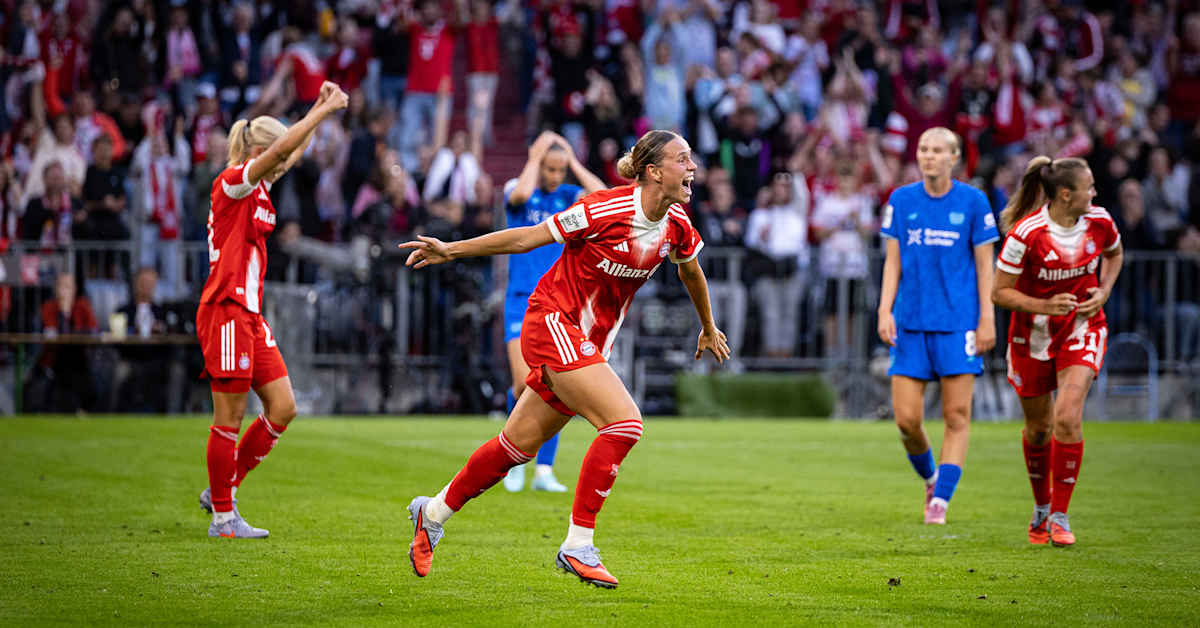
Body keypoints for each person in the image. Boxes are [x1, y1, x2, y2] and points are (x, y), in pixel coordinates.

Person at [399, 130, 730, 588]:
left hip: (586, 344)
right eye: (684, 159)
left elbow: (691, 269)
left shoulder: (676, 225)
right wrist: (451, 250)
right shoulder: (604, 209)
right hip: (551, 322)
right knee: (625, 423)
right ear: (654, 171)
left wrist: (708, 326)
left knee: (514, 449)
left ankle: (431, 514)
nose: (693, 168)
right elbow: (528, 239)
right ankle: (578, 545)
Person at [195, 81, 349, 539]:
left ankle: (221, 489)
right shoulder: (234, 182)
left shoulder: (259, 186)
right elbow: (284, 149)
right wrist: (322, 113)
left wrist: (319, 106)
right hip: (225, 309)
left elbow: (291, 151)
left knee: (283, 407)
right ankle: (224, 518)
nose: (284, 161)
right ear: (261, 149)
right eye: (276, 151)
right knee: (230, 416)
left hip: (249, 314)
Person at [993, 156, 1123, 547]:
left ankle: (1060, 518)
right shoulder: (1026, 233)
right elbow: (999, 292)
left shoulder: (1100, 222)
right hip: (1031, 336)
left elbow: (1115, 254)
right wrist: (1044, 306)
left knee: (1067, 417)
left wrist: (1103, 291)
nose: (1095, 193)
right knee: (1039, 430)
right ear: (1066, 194)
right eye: (1090, 187)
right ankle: (1041, 508)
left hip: (1082, 328)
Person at [877, 127, 999, 525]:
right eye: (923, 149)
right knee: (906, 420)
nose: (928, 156)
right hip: (910, 322)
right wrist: (884, 309)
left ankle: (940, 502)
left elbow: (986, 266)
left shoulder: (974, 202)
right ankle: (931, 477)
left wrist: (986, 318)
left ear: (955, 158)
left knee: (957, 415)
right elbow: (892, 262)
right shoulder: (901, 199)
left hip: (958, 323)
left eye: (937, 150)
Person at [499, 131, 607, 493]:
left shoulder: (567, 196)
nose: (555, 176)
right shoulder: (522, 187)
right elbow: (517, 197)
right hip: (521, 298)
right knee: (522, 382)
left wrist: (574, 161)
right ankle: (515, 461)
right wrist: (534, 156)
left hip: (561, 302)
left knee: (558, 384)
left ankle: (544, 470)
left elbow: (603, 196)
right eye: (551, 167)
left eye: (561, 170)